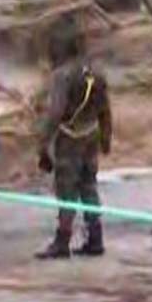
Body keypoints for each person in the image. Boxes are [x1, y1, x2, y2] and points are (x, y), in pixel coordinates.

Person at [35, 30, 112, 260]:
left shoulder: (62, 75)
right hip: (91, 136)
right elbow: (105, 110)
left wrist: (43, 144)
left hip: (69, 140)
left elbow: (56, 112)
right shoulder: (96, 73)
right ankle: (95, 238)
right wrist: (106, 138)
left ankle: (62, 241)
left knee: (66, 190)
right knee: (89, 186)